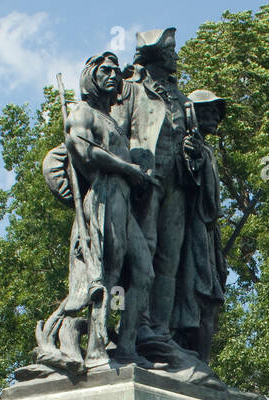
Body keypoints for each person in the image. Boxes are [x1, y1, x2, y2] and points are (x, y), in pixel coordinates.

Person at [36, 51, 157, 372]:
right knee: (107, 275)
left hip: (123, 200)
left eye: (116, 72)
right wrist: (129, 169)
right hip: (103, 197)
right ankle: (95, 350)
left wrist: (137, 177)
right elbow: (83, 151)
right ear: (90, 76)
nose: (113, 76)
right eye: (105, 70)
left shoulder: (111, 121)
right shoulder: (82, 112)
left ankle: (127, 346)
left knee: (144, 273)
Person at [113, 28, 192, 347]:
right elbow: (115, 132)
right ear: (157, 53)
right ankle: (135, 324)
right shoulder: (130, 89)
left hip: (178, 180)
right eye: (170, 50)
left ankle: (160, 330)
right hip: (145, 180)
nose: (175, 56)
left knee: (170, 258)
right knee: (142, 252)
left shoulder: (180, 96)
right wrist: (133, 169)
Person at [176, 90, 228, 361]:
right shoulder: (190, 145)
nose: (216, 117)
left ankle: (202, 365)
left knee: (210, 302)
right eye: (209, 111)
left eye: (217, 113)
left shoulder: (206, 149)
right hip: (192, 233)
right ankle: (195, 362)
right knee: (201, 298)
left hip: (208, 234)